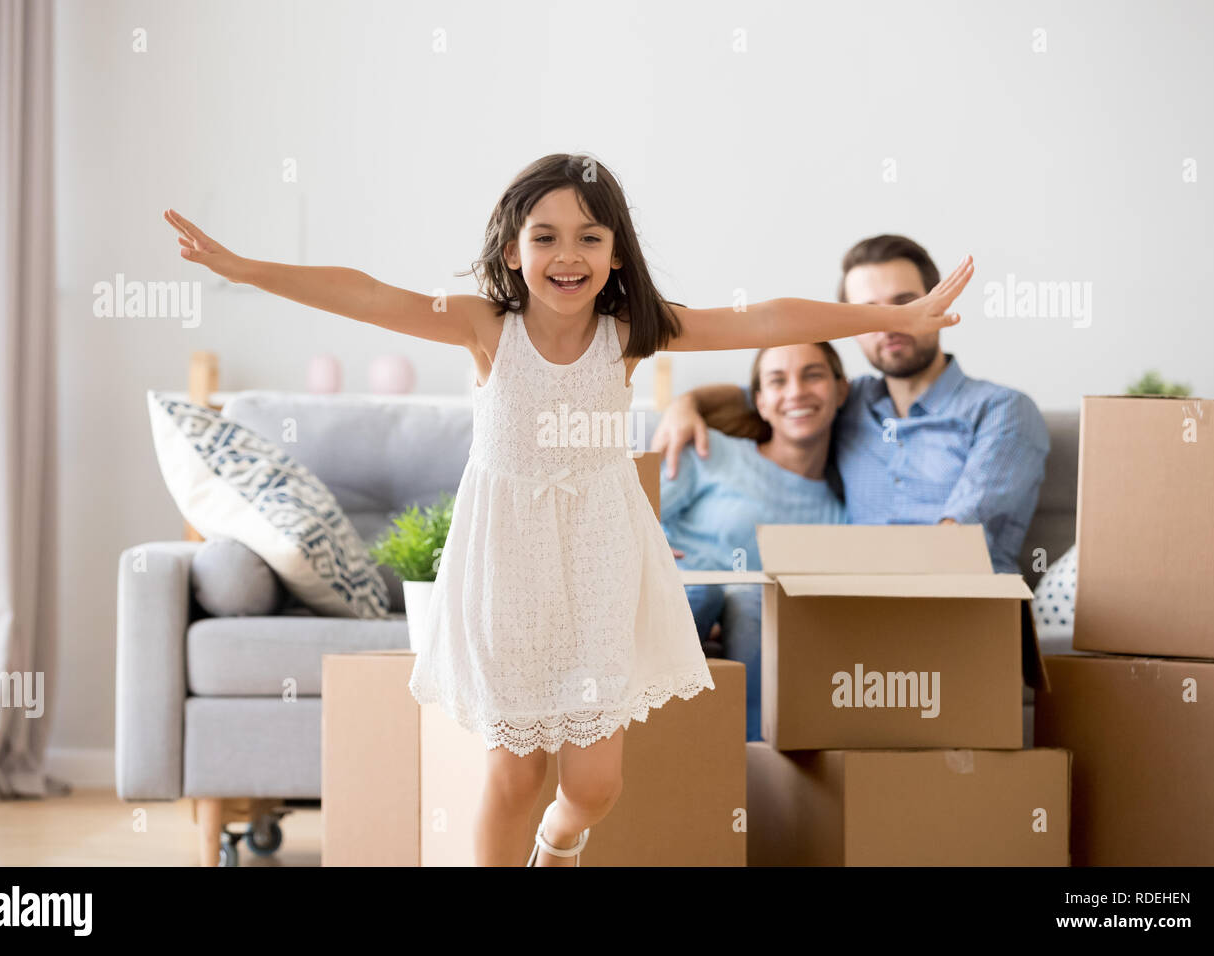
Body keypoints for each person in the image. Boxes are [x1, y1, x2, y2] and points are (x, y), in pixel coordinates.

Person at [163, 156, 974, 867]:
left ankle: (558, 846)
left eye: (589, 235)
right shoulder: (486, 327)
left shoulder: (628, 333)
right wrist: (244, 267)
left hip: (597, 559)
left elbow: (761, 320)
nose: (567, 253)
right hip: (506, 565)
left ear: (616, 254)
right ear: (513, 253)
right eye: (544, 235)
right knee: (513, 771)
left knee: (593, 785)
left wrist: (893, 316)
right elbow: (369, 296)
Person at [652, 234, 1047, 574]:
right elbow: (768, 398)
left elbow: (957, 547)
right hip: (850, 608)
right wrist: (686, 403)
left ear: (934, 304)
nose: (895, 323)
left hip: (963, 607)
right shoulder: (849, 398)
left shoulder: (1001, 410)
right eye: (873, 313)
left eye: (907, 305)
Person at [660, 341, 850, 742]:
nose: (796, 391)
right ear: (761, 403)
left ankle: (756, 764)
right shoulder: (710, 449)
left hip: (758, 622)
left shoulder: (841, 512)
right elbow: (634, 514)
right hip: (677, 593)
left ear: (841, 390)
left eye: (812, 375)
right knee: (706, 593)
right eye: (778, 381)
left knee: (750, 597)